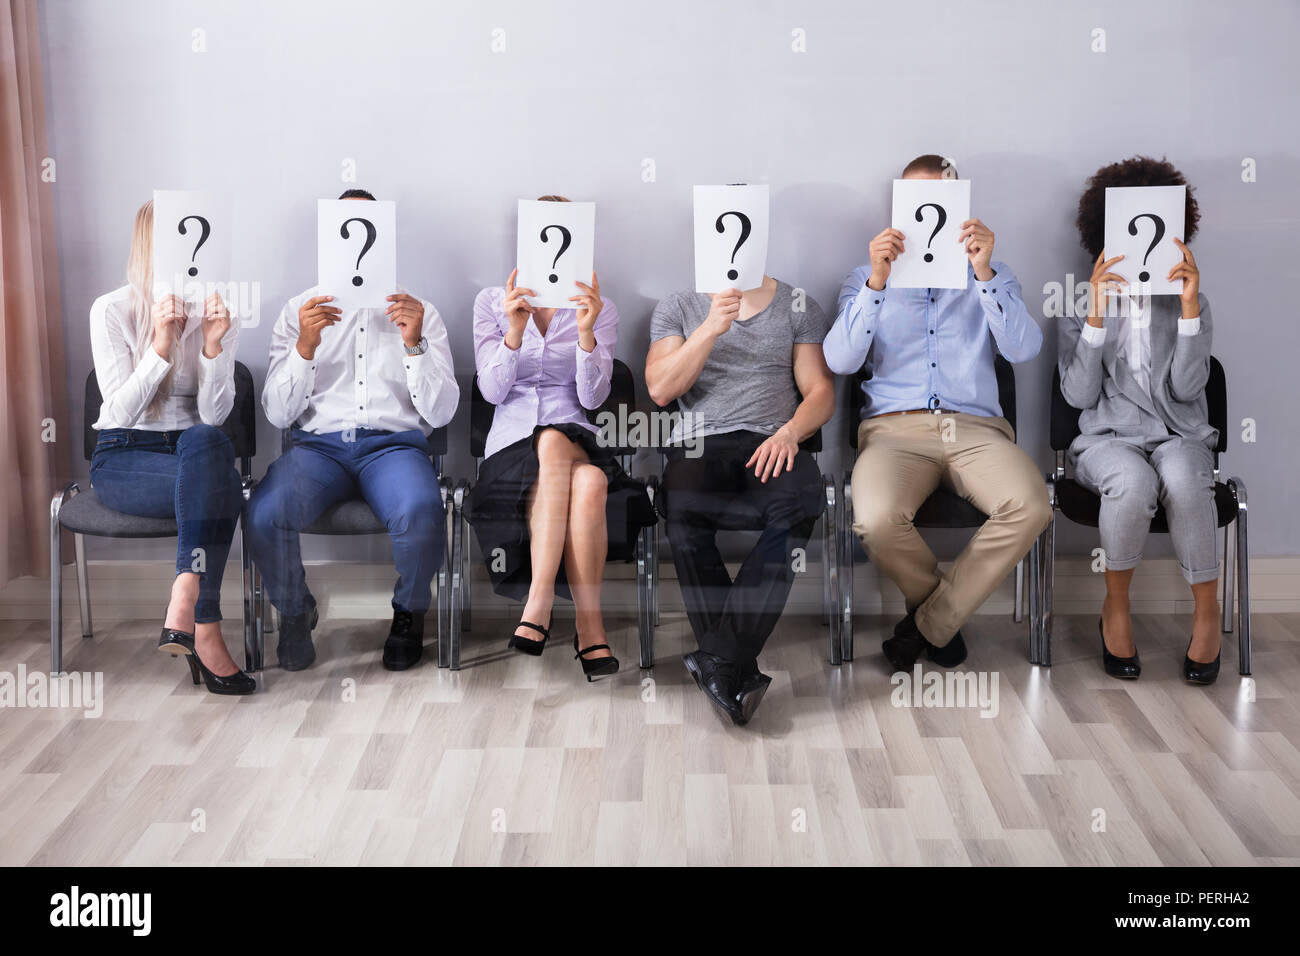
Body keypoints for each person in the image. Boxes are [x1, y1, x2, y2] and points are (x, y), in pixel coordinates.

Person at [824, 154, 1051, 671]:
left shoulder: (993, 274)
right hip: (893, 433)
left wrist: (983, 272)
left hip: (977, 431)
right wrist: (878, 282)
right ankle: (940, 620)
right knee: (876, 520)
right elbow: (840, 360)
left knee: (1031, 505)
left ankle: (927, 625)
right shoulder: (862, 276)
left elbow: (1024, 350)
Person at [246, 188, 458, 672]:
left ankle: (408, 613)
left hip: (393, 448)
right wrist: (305, 347)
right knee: (263, 514)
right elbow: (278, 414)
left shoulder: (420, 311)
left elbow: (442, 413)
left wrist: (415, 343)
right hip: (317, 449)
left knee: (423, 509)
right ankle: (296, 612)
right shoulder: (299, 311)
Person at [468, 197, 652, 680]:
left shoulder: (600, 307)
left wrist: (588, 334)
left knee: (553, 441)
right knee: (588, 484)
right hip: (510, 448)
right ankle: (591, 628)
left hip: (575, 435)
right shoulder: (492, 301)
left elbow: (592, 398)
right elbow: (491, 391)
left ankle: (540, 600)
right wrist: (513, 331)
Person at [646, 255, 834, 725]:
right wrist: (710, 327)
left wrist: (791, 433)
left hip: (774, 438)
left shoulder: (797, 303)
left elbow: (820, 391)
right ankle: (730, 664)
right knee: (683, 509)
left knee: (800, 502)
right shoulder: (678, 305)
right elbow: (660, 390)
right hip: (697, 443)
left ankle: (718, 659)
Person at [1061, 156, 1221, 683]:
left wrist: (1191, 307)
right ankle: (1117, 607)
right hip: (1110, 438)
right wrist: (1096, 315)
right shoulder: (1081, 303)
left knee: (1182, 479)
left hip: (1178, 433)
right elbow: (1080, 396)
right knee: (1131, 484)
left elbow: (1187, 389)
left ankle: (1206, 612)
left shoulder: (1186, 305)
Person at [87, 199, 253, 694]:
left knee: (207, 441)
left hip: (194, 451)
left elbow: (216, 416)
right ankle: (207, 629)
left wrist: (212, 347)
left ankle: (186, 594)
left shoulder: (217, 313)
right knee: (220, 487)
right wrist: (160, 347)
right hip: (125, 456)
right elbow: (116, 415)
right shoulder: (112, 310)